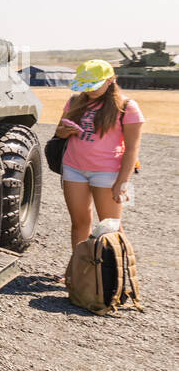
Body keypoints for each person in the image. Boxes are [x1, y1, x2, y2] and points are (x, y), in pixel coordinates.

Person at [55, 59, 144, 254]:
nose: (89, 91)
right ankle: (79, 273)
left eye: (93, 86)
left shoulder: (127, 106)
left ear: (111, 80)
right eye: (85, 86)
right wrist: (66, 130)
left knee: (110, 229)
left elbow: (131, 150)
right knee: (79, 224)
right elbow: (59, 133)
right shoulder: (74, 101)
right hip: (73, 169)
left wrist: (122, 183)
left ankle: (116, 277)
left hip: (108, 173)